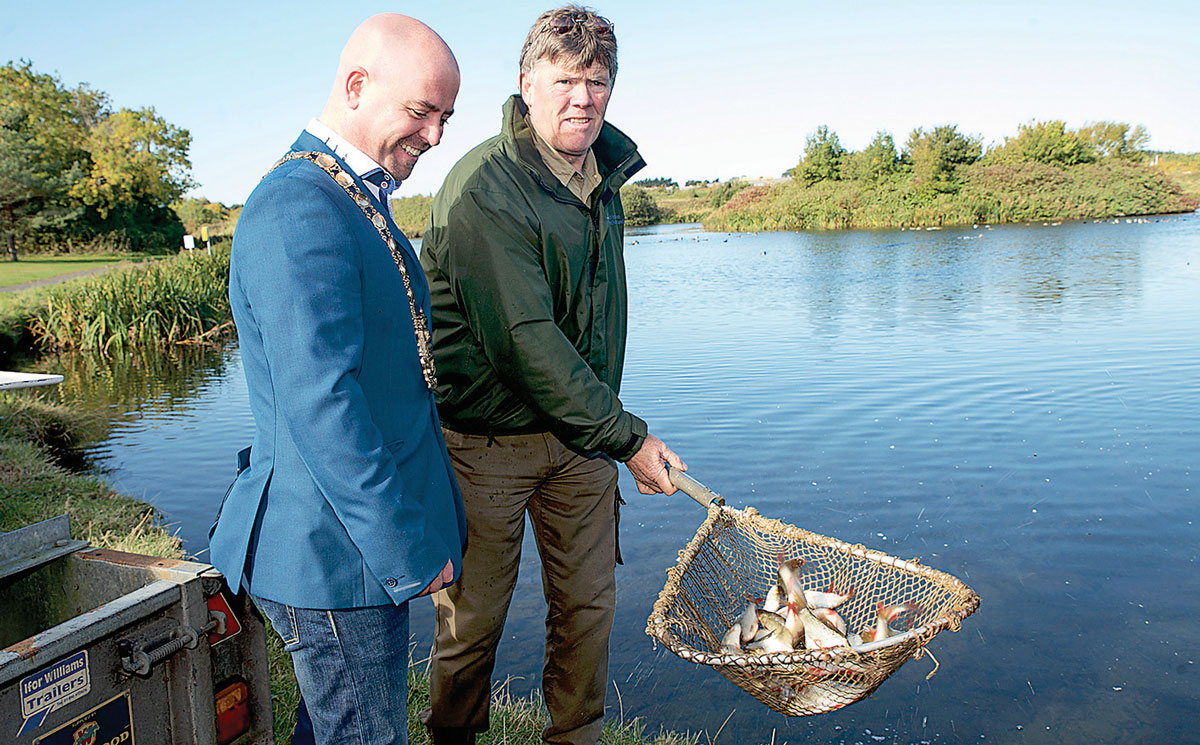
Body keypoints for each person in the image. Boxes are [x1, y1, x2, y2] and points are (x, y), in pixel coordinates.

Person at [418, 6, 685, 744]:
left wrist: (606, 434)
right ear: (526, 84)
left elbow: (588, 328)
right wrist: (629, 437)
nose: (583, 97)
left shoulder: (605, 176)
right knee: (472, 624)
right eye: (565, 80)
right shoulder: (483, 189)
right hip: (485, 447)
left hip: (580, 445)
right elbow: (527, 343)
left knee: (587, 611)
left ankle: (576, 736)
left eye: (597, 81)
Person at [207, 14, 467, 745]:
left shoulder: (350, 196)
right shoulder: (300, 205)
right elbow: (325, 406)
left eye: (447, 116)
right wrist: (406, 550)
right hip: (333, 555)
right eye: (422, 111)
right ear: (356, 86)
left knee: (327, 730)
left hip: (347, 548)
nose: (437, 136)